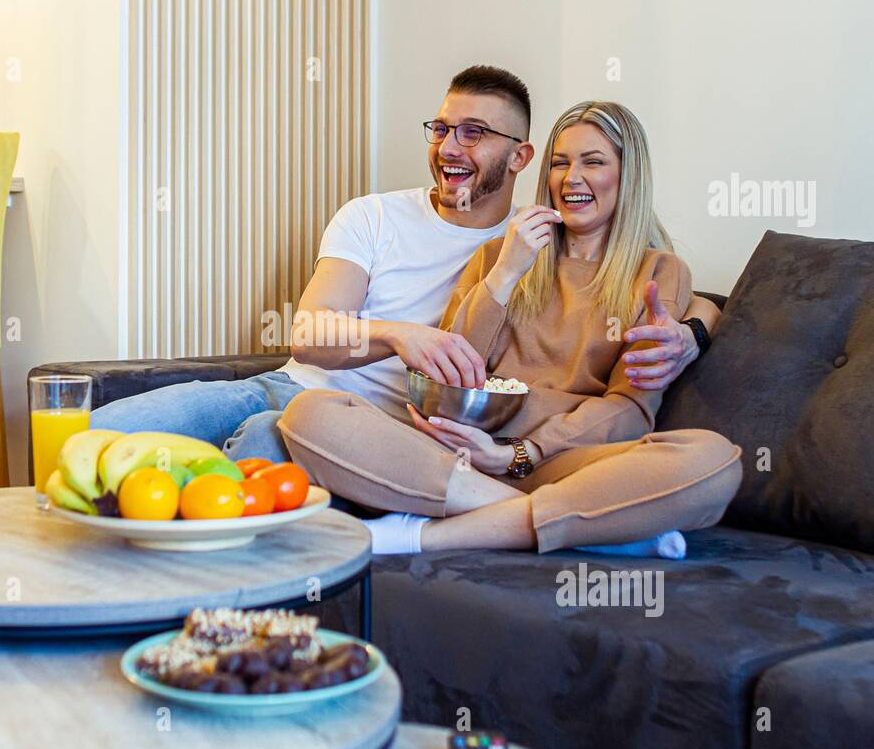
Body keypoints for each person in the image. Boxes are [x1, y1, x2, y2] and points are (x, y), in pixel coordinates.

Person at [91, 67, 720, 461]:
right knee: (95, 434)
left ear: (519, 156)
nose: (449, 147)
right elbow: (308, 334)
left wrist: (696, 330)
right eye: (441, 129)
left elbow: (674, 298)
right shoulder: (375, 216)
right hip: (291, 387)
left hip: (385, 430)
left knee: (251, 454)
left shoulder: (534, 246)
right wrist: (399, 335)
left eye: (473, 132)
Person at [277, 101, 743, 556]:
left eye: (593, 162)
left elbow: (630, 409)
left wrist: (522, 452)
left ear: (628, 176)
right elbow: (450, 375)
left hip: (567, 461)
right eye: (560, 163)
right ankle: (592, 526)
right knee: (310, 414)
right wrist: (504, 275)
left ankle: (424, 535)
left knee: (713, 461)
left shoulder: (659, 272)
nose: (571, 178)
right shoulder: (498, 256)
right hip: (458, 457)